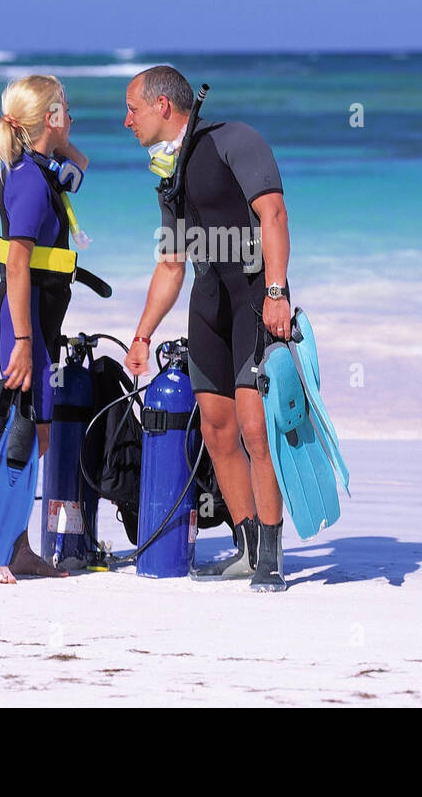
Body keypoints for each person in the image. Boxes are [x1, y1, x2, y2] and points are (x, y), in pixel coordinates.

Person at [122, 66, 294, 591]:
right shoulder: (167, 174)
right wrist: (143, 334)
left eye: (133, 108)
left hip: (253, 300)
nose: (126, 120)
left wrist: (277, 292)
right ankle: (244, 545)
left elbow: (275, 216)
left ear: (163, 107)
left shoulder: (235, 141)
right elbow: (171, 263)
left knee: (255, 428)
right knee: (218, 430)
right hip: (208, 303)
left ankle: (271, 552)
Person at [0, 74, 86, 584]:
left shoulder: (43, 171)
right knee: (21, 435)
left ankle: (14, 545)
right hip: (21, 321)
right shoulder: (27, 181)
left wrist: (61, 150)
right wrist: (22, 342)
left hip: (36, 320)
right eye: (65, 109)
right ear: (49, 118)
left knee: (36, 431)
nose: (72, 115)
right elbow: (18, 265)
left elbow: (82, 165)